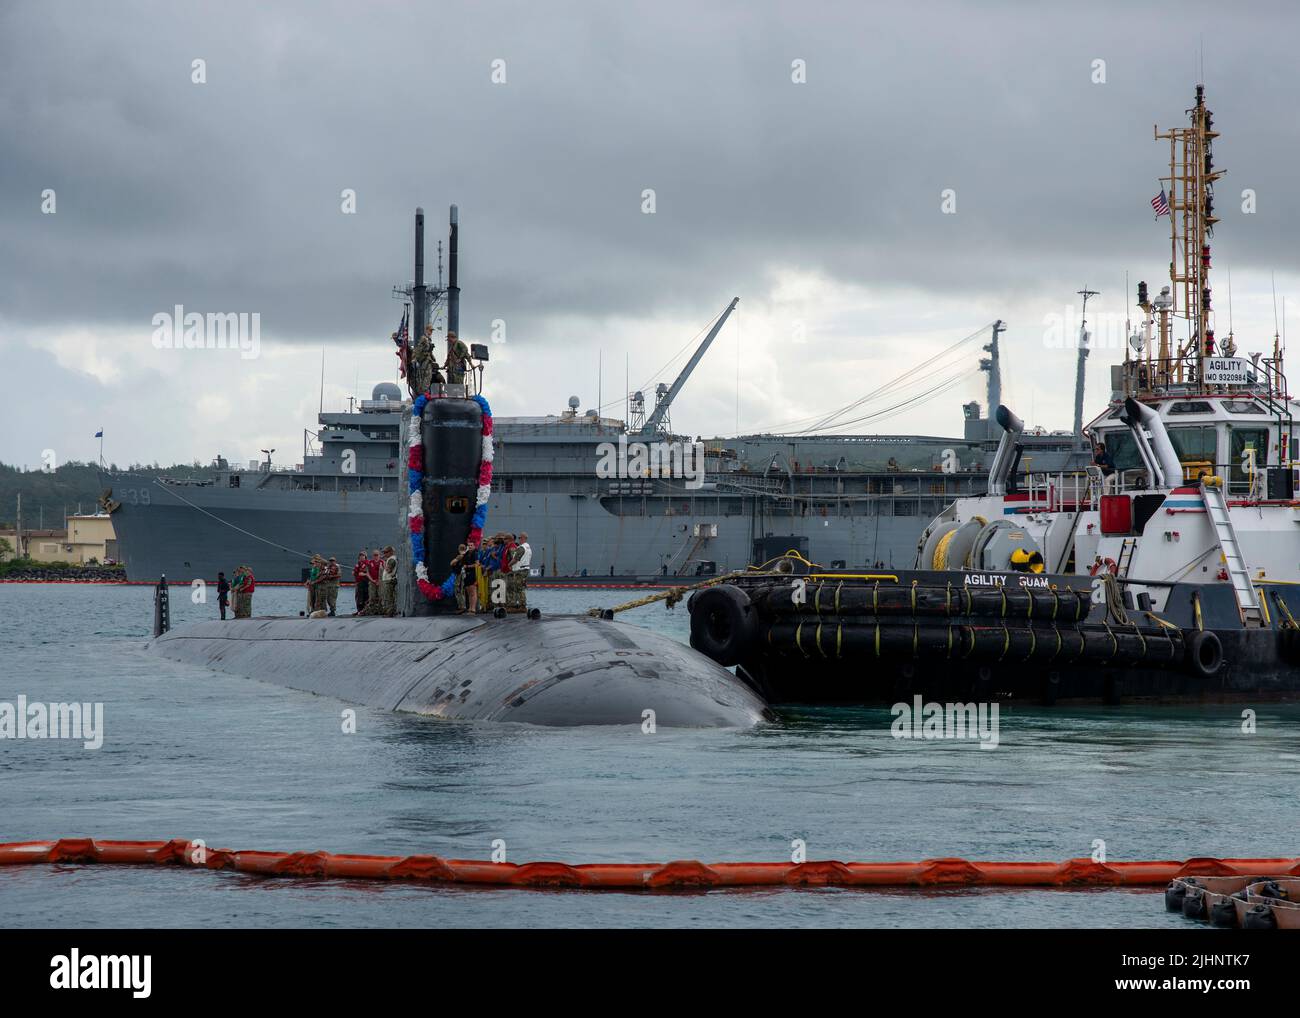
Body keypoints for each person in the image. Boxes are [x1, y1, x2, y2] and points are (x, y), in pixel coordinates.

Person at [380, 545, 398, 616]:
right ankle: (389, 611)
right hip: (387, 580)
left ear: (391, 552)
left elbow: (389, 570)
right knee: (388, 597)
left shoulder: (392, 559)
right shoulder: (390, 559)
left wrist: (383, 564)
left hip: (389, 580)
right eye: (384, 552)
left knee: (389, 597)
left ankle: (390, 612)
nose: (384, 554)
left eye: (386, 552)